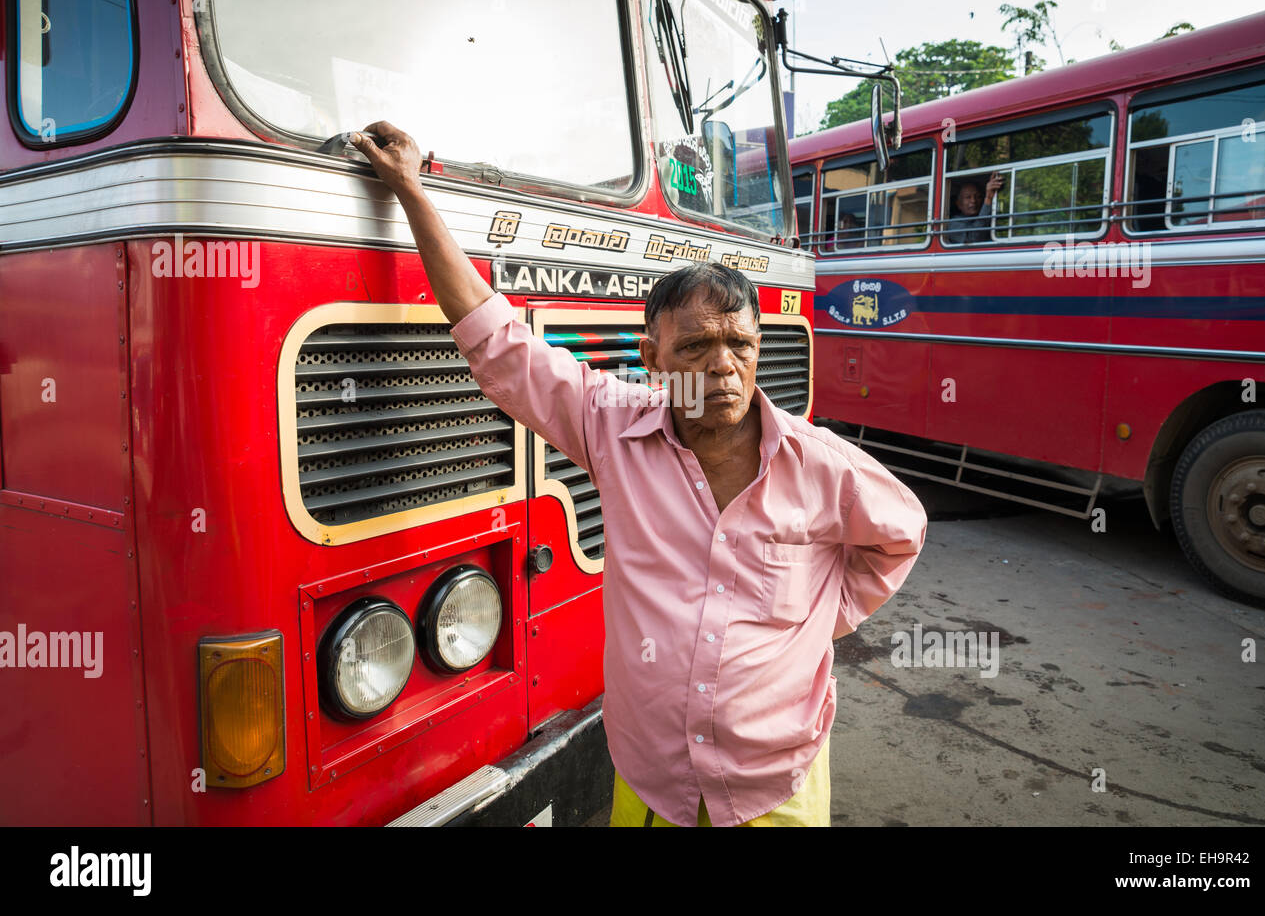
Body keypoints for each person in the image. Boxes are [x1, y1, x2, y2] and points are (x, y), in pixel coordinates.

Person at [352, 120, 928, 827]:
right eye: (696, 345)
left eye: (739, 344)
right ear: (651, 357)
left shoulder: (821, 465)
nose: (723, 364)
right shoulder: (611, 425)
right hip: (652, 783)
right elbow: (496, 341)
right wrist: (411, 190)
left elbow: (901, 534)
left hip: (778, 788)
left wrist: (822, 618)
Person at [946, 172, 1003, 244]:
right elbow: (974, 239)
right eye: (968, 197)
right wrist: (988, 198)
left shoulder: (989, 216)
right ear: (959, 204)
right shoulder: (953, 224)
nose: (973, 201)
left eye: (978, 196)